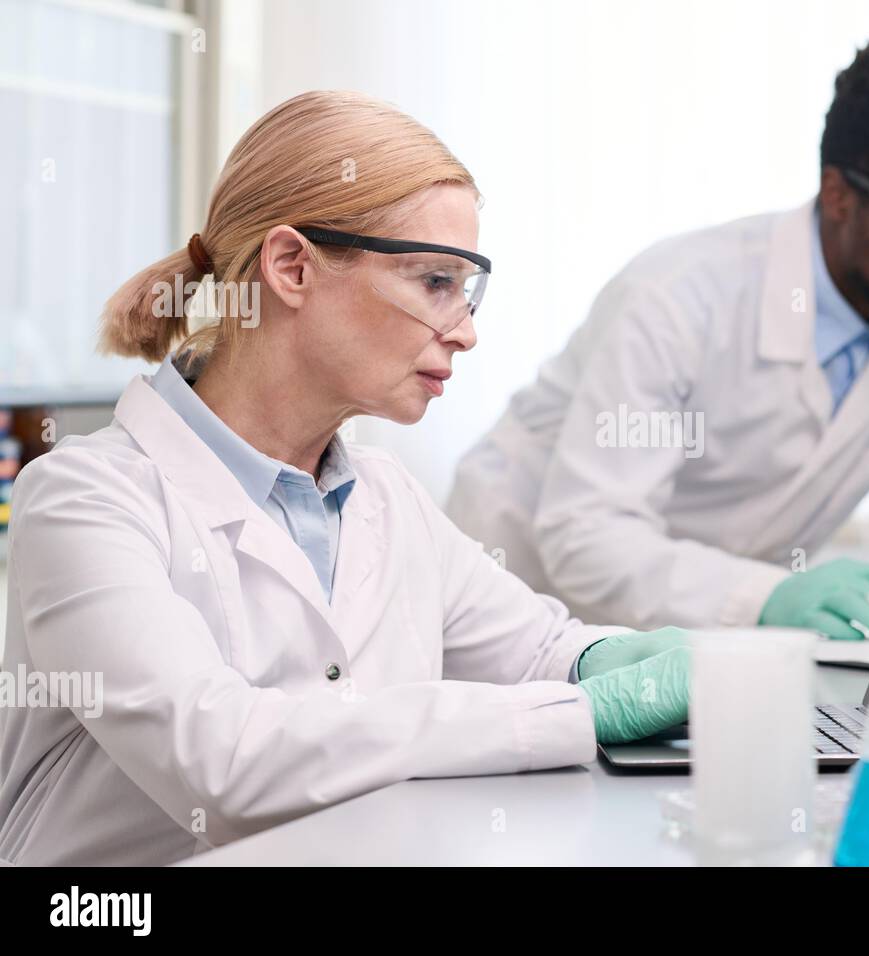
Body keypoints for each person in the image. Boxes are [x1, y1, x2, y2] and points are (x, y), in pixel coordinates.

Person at [0, 92, 689, 867]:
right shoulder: (85, 500)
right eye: (435, 282)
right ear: (292, 266)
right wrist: (576, 713)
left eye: (466, 291)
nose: (464, 331)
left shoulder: (385, 498)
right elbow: (224, 764)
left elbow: (539, 651)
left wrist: (603, 661)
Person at [448, 36, 869, 636]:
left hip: (708, 633)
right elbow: (588, 534)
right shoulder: (680, 294)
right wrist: (769, 596)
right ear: (841, 194)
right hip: (519, 602)